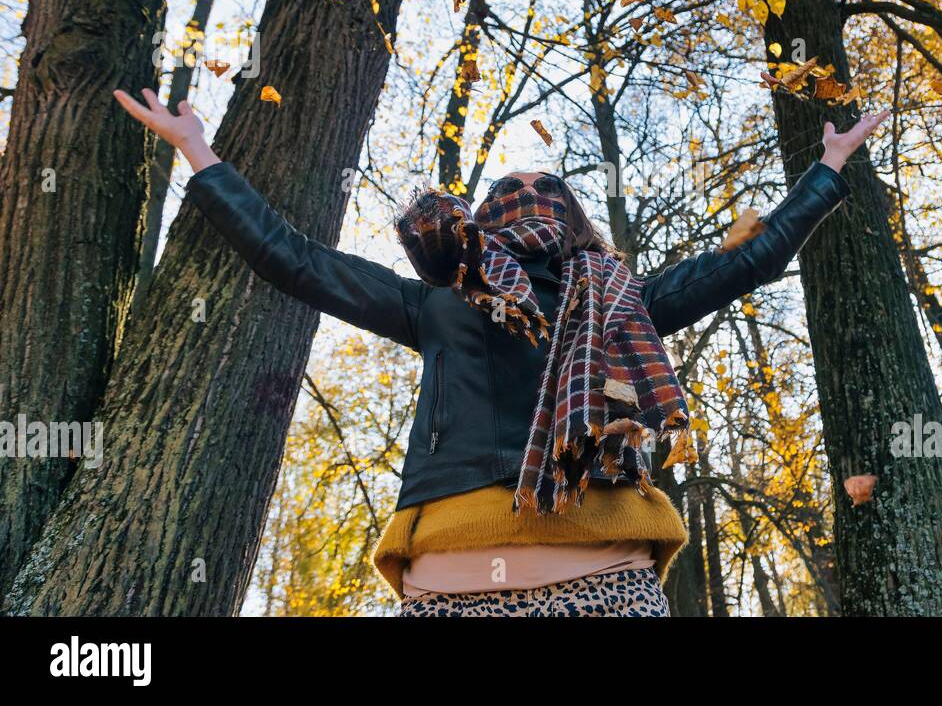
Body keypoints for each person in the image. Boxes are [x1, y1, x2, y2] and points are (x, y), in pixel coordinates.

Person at [113, 86, 887, 616]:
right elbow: (749, 260)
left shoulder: (464, 301)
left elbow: (297, 260)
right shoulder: (610, 300)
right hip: (576, 570)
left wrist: (201, 157)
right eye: (512, 195)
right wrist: (826, 170)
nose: (526, 203)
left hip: (519, 574)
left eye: (538, 190)